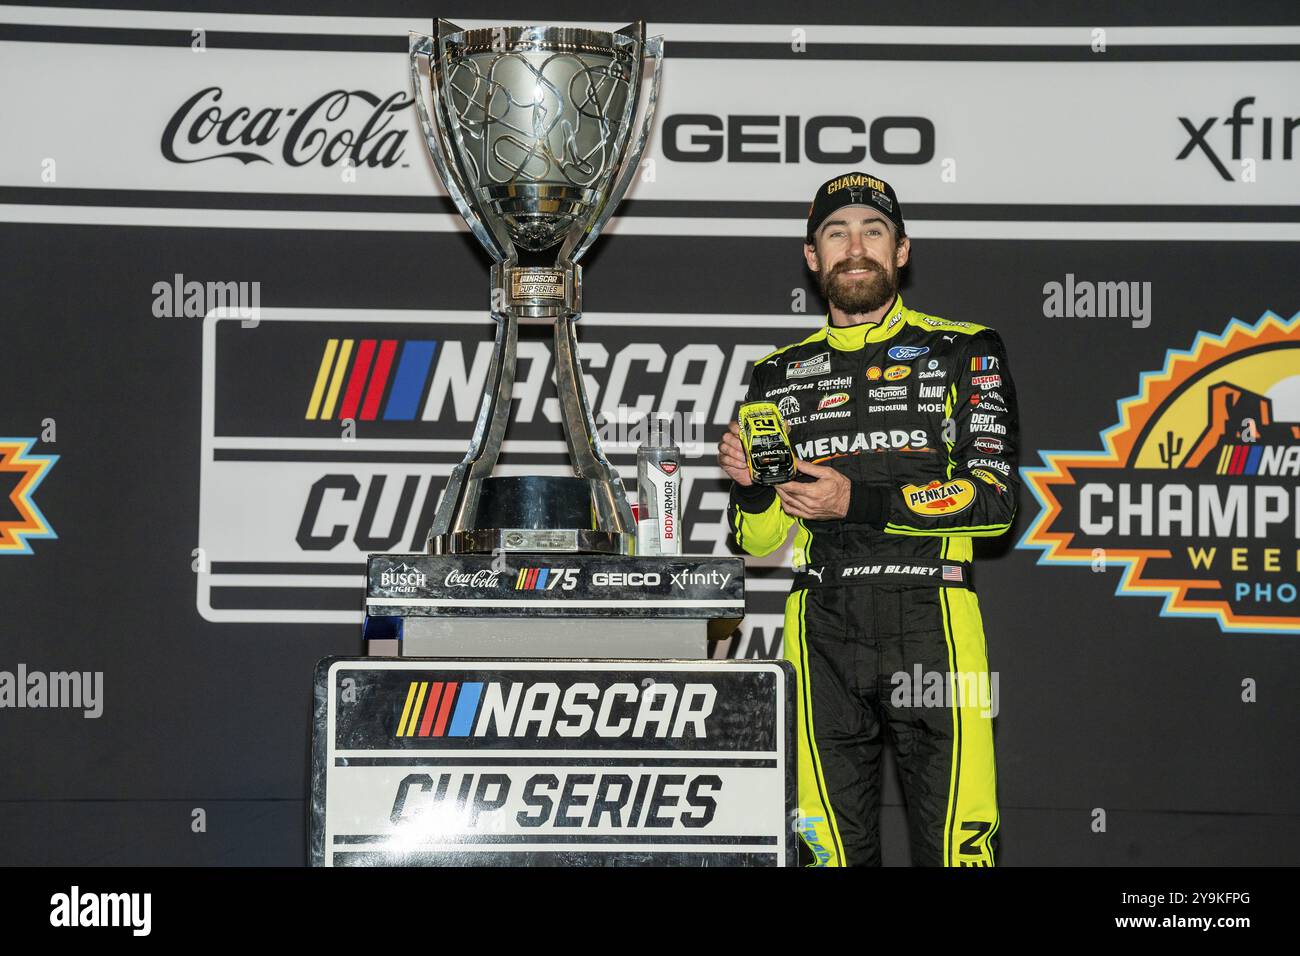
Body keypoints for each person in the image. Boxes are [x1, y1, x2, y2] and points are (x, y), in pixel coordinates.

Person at [717, 172, 1018, 867]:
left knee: (961, 848)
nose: (856, 247)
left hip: (933, 614)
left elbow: (994, 501)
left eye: (873, 231)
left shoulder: (966, 349)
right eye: (836, 232)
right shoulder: (776, 374)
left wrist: (858, 502)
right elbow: (756, 541)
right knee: (826, 853)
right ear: (813, 256)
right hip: (818, 623)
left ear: (902, 250)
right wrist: (753, 487)